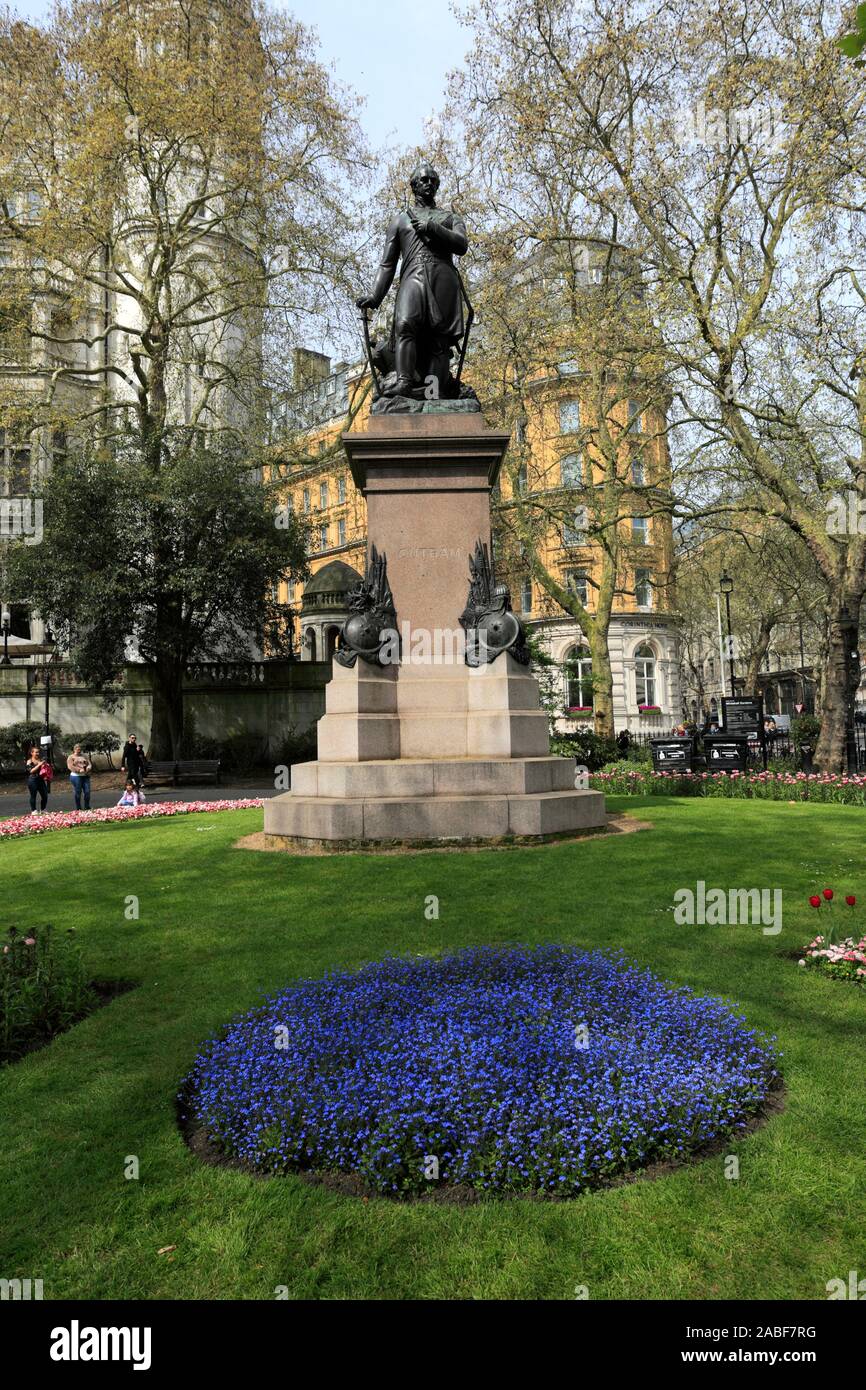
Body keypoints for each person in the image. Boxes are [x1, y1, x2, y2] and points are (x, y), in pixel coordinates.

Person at [356, 162, 468, 399]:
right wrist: (375, 296)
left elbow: (461, 244)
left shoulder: (450, 217)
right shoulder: (400, 221)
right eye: (423, 179)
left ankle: (434, 392)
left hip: (442, 278)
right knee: (405, 324)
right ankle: (404, 382)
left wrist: (433, 228)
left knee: (439, 339)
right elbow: (387, 264)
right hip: (413, 275)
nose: (428, 183)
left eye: (433, 180)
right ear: (414, 185)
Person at [66, 743, 93, 811]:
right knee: (78, 792)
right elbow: (70, 766)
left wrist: (89, 768)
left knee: (87, 792)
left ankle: (87, 806)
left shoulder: (84, 756)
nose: (79, 750)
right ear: (74, 749)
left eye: (80, 749)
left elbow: (89, 764)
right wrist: (78, 770)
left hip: (85, 776)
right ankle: (79, 808)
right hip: (76, 776)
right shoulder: (71, 757)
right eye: (78, 749)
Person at [25, 745, 49, 815]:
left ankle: (43, 809)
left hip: (41, 780)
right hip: (33, 780)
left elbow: (44, 770)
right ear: (32, 753)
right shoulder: (29, 761)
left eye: (38, 752)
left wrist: (45, 766)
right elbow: (31, 771)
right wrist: (39, 765)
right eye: (36, 752)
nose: (38, 754)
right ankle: (34, 810)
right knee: (33, 796)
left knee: (45, 795)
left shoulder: (40, 760)